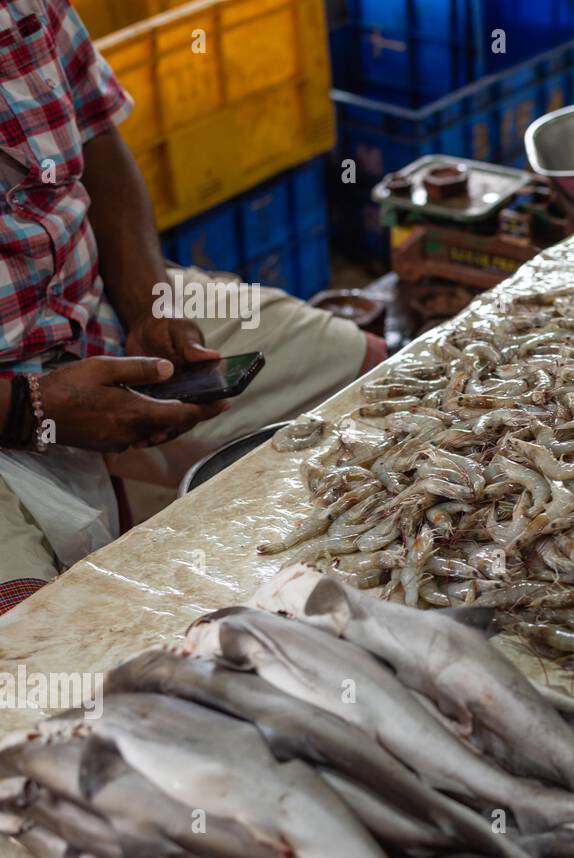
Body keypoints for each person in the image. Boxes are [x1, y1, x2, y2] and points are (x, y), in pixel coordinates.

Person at [0, 0, 385, 613]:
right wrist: (29, 409)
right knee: (35, 651)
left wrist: (149, 301)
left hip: (93, 305)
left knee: (378, 383)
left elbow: (99, 139)